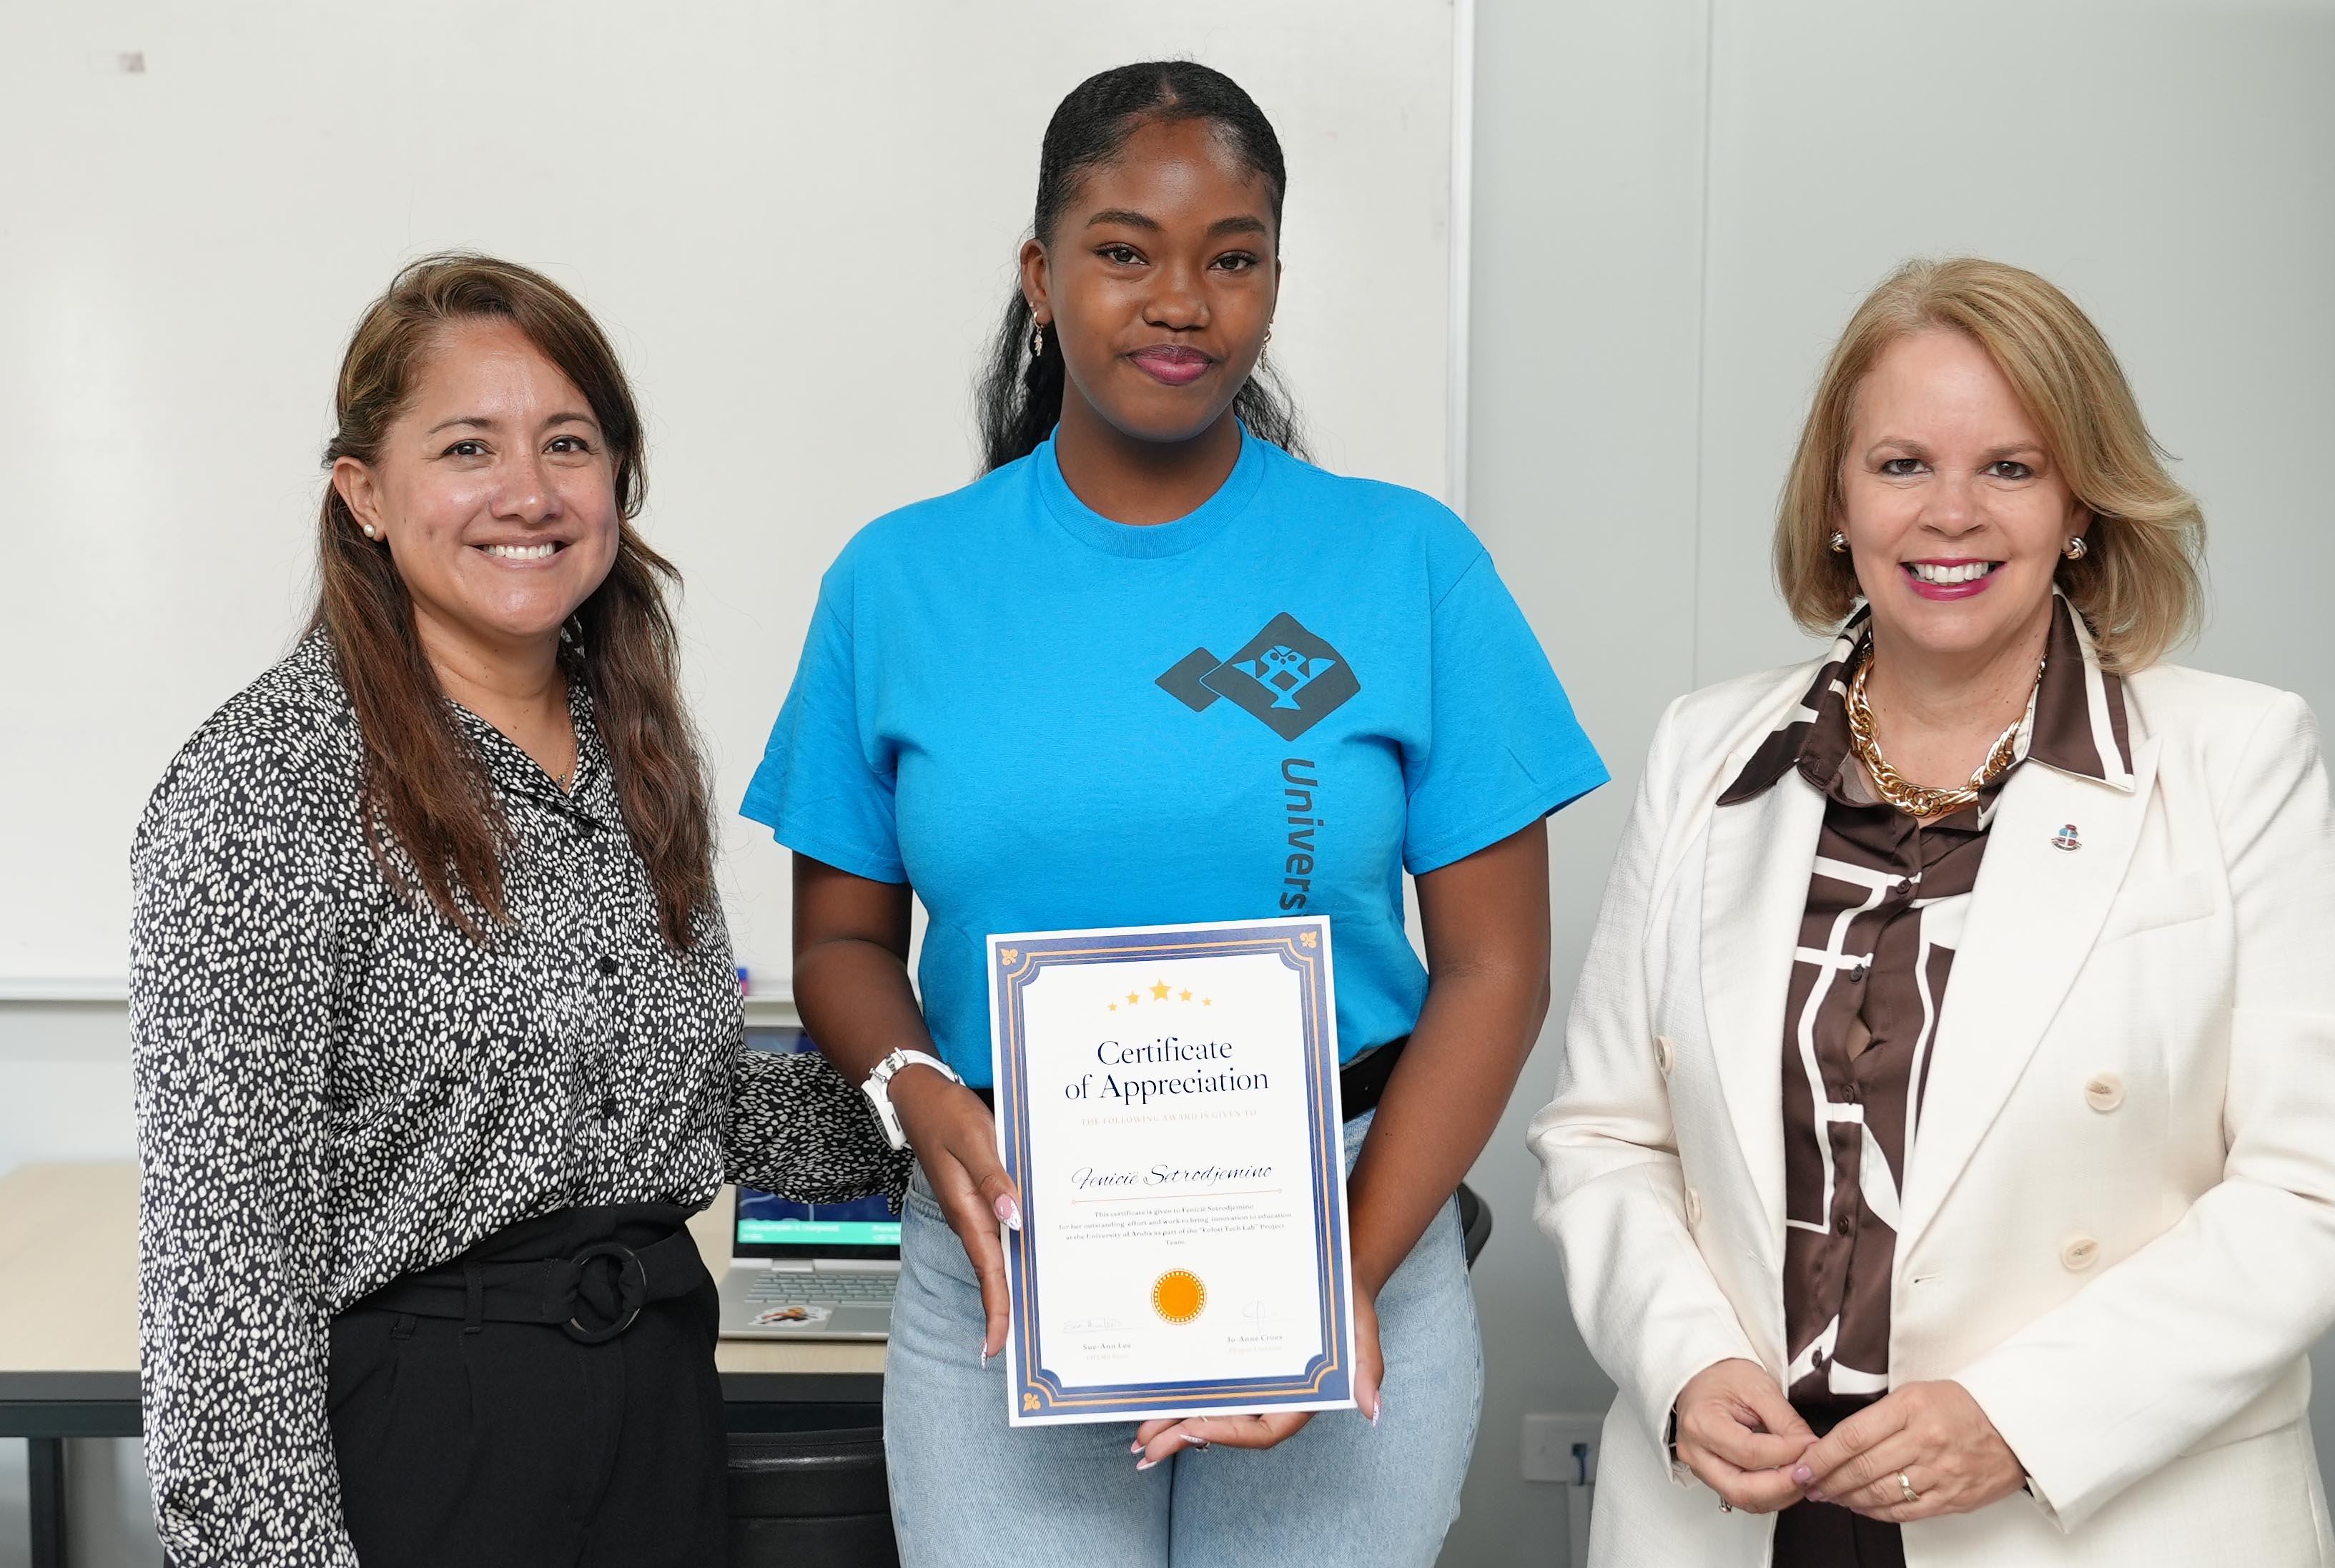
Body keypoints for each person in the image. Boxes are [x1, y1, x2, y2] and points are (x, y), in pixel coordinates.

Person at [744, 60, 1609, 1568]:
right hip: (1010, 1242)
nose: (1182, 300)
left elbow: (1493, 967)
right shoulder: (900, 581)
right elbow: (837, 939)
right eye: (1124, 250)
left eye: (1233, 256)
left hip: (1352, 1216)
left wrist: (1338, 1272)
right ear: (1039, 276)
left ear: (1275, 275)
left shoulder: (1405, 563)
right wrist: (912, 1089)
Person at [1529, 256, 2335, 1567]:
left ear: (2079, 500)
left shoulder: (2239, 758)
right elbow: (1604, 1138)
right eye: (1901, 464)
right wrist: (1682, 1364)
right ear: (1837, 501)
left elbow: (2318, 1184)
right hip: (1741, 1511)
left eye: (2010, 468)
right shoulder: (1707, 751)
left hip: (2080, 1508)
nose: (1950, 515)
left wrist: (2022, 1419)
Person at [129, 255, 902, 1568]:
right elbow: (226, 1297)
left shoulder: (630, 745)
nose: (530, 494)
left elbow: (673, 1100)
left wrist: (962, 1110)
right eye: (467, 448)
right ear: (365, 494)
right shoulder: (267, 785)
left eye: (567, 443)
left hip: (654, 1406)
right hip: (423, 1441)